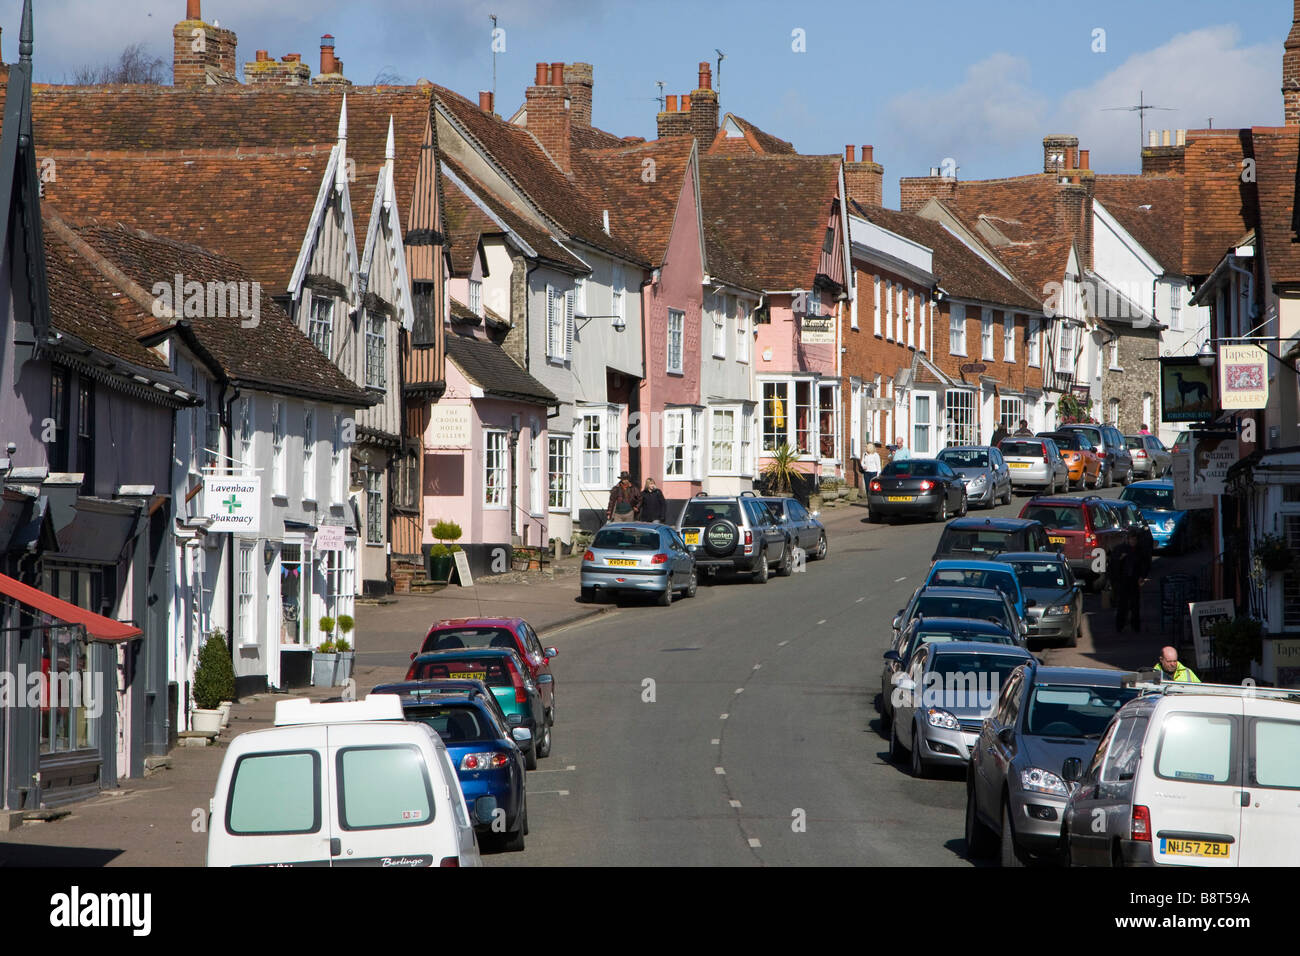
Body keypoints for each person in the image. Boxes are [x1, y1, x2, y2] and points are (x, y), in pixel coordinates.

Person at [1111, 528, 1150, 633]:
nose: (1133, 542)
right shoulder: (1121, 549)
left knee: (1135, 604)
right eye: (1131, 540)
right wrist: (1120, 559)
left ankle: (1135, 626)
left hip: (1134, 580)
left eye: (1135, 540)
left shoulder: (1140, 551)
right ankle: (1120, 625)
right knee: (1122, 604)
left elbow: (1144, 564)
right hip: (1123, 580)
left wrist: (1142, 576)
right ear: (1128, 540)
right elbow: (1114, 565)